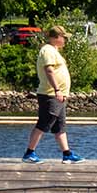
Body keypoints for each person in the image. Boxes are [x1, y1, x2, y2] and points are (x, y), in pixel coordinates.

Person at [23, 26, 82, 163]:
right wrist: (57, 90)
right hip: (50, 94)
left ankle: (67, 154)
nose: (65, 40)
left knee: (60, 126)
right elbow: (49, 70)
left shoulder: (54, 51)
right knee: (44, 123)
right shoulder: (47, 50)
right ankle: (29, 153)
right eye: (64, 37)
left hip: (58, 96)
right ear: (56, 37)